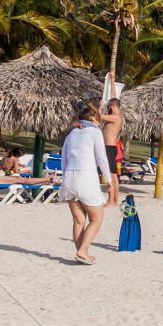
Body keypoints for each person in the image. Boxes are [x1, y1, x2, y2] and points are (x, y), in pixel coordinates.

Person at [60, 101, 110, 264]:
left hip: (69, 178)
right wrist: (109, 180)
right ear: (94, 118)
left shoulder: (71, 134)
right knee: (96, 219)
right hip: (86, 177)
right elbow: (101, 158)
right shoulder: (95, 133)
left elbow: (64, 161)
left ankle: (82, 254)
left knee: (78, 221)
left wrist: (64, 180)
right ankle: (82, 251)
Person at [99, 97, 123, 206]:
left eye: (108, 106)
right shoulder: (114, 116)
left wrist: (100, 106)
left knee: (111, 176)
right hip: (108, 148)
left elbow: (98, 116)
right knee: (112, 175)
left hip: (109, 148)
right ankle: (114, 201)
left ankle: (111, 201)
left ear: (113, 106)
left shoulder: (115, 117)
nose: (107, 108)